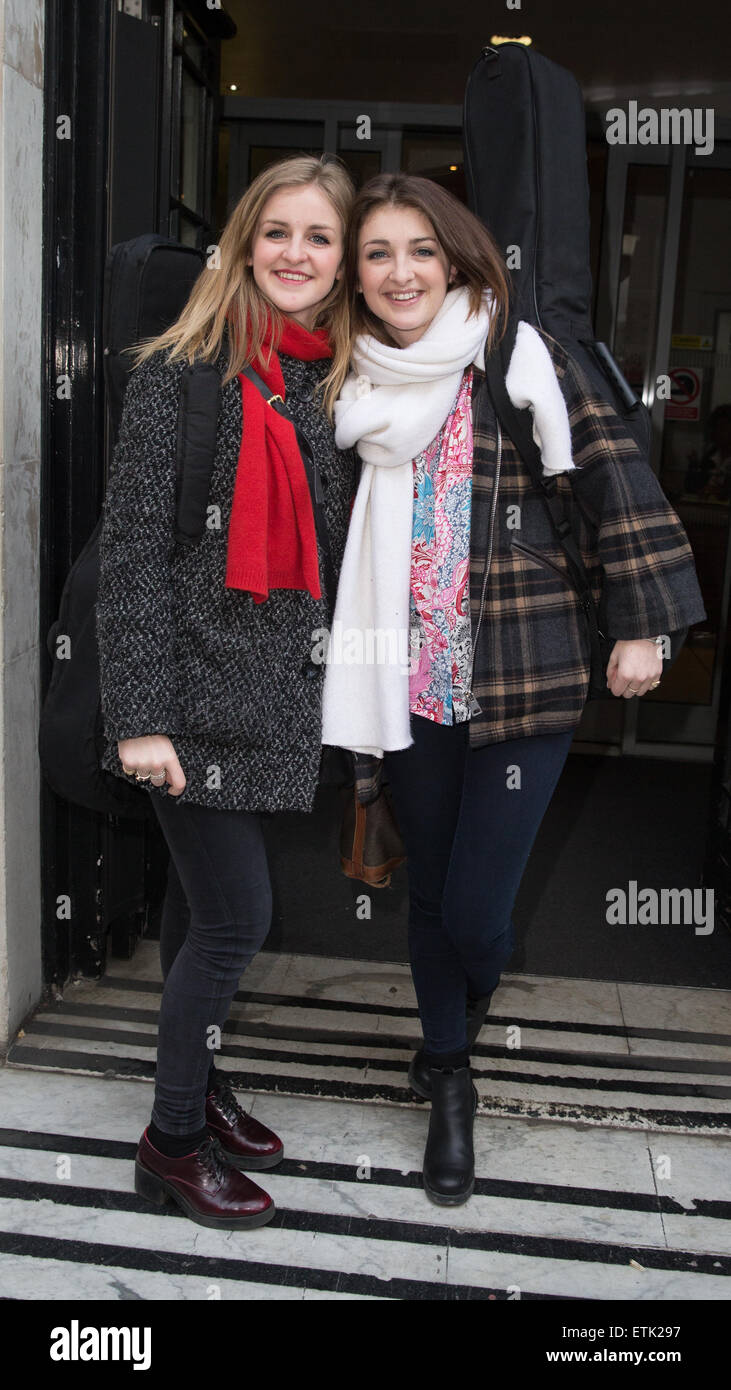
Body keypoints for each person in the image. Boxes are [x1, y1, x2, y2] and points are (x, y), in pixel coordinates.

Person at [321, 173, 707, 1207]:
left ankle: (462, 1004)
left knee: (477, 915)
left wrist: (642, 622)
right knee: (435, 893)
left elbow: (615, 482)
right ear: (355, 276)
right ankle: (447, 1074)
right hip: (402, 688)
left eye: (416, 249)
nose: (398, 271)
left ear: (453, 257)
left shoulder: (517, 354)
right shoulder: (348, 379)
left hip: (520, 676)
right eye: (376, 253)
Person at [96, 154, 356, 1231]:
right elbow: (134, 554)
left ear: (340, 261)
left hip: (272, 702)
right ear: (244, 242)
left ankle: (197, 1082)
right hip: (190, 701)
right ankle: (170, 1140)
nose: (295, 254)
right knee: (237, 918)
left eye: (319, 237)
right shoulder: (183, 371)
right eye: (277, 231)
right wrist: (142, 718)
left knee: (198, 906)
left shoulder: (327, 378)